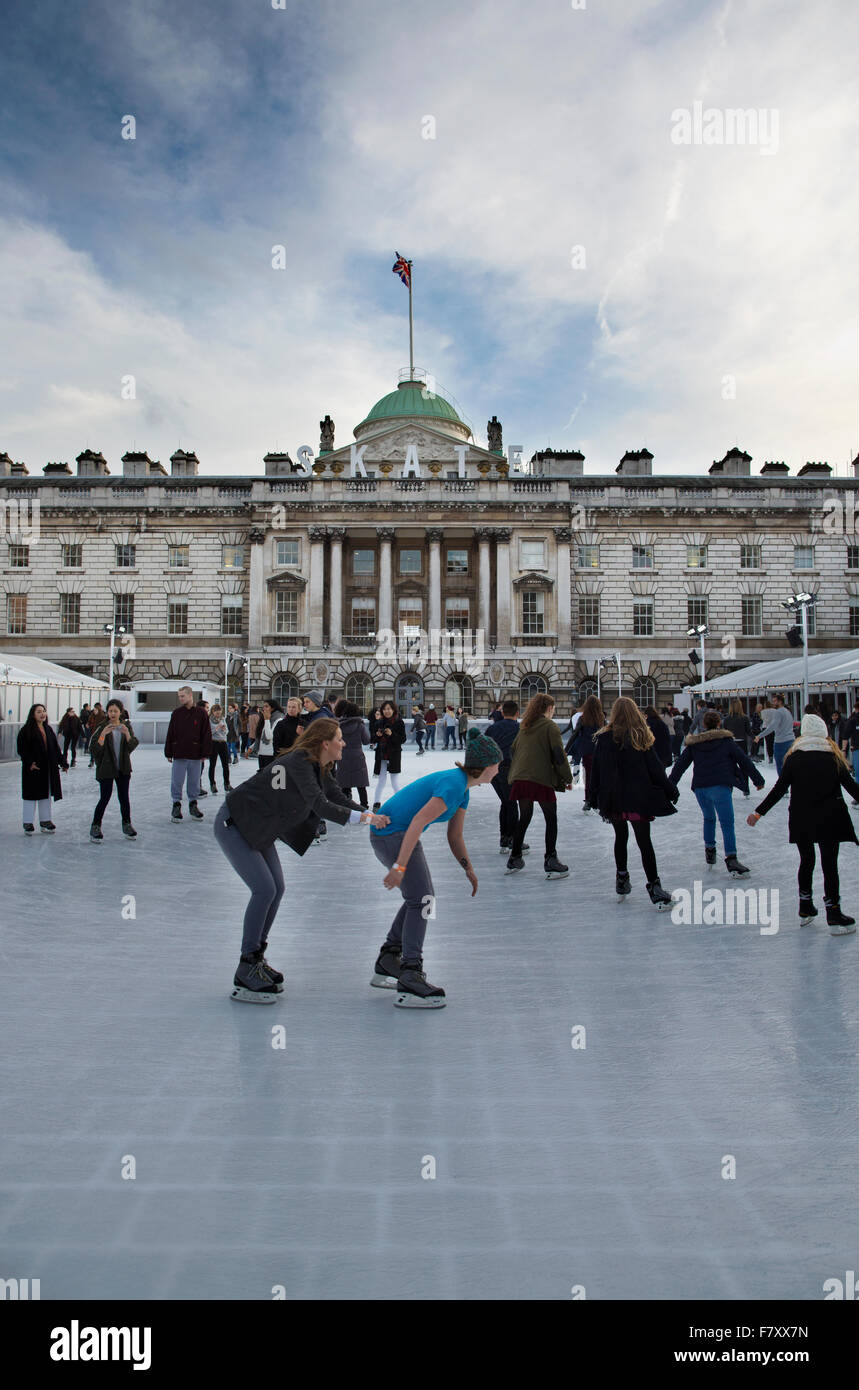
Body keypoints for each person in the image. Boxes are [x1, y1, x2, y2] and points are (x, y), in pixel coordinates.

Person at [214, 719, 390, 1002]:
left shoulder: (316, 766)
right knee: (264, 889)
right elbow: (321, 805)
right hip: (236, 823)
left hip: (260, 827)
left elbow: (334, 796)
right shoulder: (299, 761)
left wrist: (371, 817)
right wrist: (367, 819)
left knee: (276, 889)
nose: (344, 743)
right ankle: (246, 964)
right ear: (325, 743)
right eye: (340, 739)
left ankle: (256, 957)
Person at [370, 728, 502, 1008]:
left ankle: (389, 958)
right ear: (487, 766)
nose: (499, 770)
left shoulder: (464, 789)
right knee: (424, 899)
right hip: (391, 835)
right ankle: (410, 972)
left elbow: (454, 836)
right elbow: (418, 821)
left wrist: (468, 868)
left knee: (420, 897)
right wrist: (400, 867)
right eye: (497, 765)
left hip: (400, 835)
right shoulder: (454, 784)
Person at [748, 713, 859, 933]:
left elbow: (779, 789)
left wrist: (759, 813)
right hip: (830, 817)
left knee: (806, 860)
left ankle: (805, 907)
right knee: (830, 865)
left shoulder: (795, 758)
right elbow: (852, 788)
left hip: (802, 817)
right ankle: (834, 912)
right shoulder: (833, 757)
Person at [586, 696, 679, 909]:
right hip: (637, 797)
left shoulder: (604, 738)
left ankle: (621, 878)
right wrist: (670, 789)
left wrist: (593, 797)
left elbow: (596, 771)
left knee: (621, 836)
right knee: (644, 841)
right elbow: (656, 769)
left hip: (614, 799)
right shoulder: (640, 736)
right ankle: (654, 886)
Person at [669, 710, 764, 875]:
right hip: (720, 786)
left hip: (701, 787)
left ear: (704, 724)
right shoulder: (726, 742)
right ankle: (731, 858)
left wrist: (670, 786)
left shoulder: (695, 744)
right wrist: (758, 780)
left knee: (709, 818)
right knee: (726, 822)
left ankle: (710, 850)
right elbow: (744, 760)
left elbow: (680, 766)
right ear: (719, 723)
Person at [506, 693, 573, 878]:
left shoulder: (525, 725)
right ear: (549, 708)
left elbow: (513, 749)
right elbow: (559, 754)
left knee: (525, 816)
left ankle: (515, 857)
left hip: (521, 778)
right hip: (539, 779)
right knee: (551, 818)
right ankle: (551, 859)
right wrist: (567, 778)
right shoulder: (550, 726)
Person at [89, 698, 139, 840]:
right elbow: (94, 749)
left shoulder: (125, 726)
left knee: (124, 797)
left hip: (122, 768)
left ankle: (127, 824)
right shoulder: (102, 727)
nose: (112, 713)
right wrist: (103, 735)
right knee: (105, 797)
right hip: (106, 768)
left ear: (120, 712)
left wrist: (127, 734)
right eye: (110, 711)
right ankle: (95, 826)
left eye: (115, 711)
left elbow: (131, 746)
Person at [165, 685, 212, 821]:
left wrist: (205, 752)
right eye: (179, 696)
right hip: (179, 752)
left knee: (194, 781)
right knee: (177, 780)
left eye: (182, 696)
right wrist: (169, 752)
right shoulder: (176, 713)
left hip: (195, 753)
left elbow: (206, 734)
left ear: (190, 695)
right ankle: (176, 804)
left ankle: (193, 804)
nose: (180, 698)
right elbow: (171, 733)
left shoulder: (201, 713)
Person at [18, 703, 64, 834]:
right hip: (33, 769)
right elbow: (22, 749)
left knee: (45, 795)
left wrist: (62, 762)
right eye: (39, 711)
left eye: (44, 711)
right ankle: (27, 822)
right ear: (33, 714)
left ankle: (45, 820)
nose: (42, 714)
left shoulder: (48, 729)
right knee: (31, 795)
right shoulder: (26, 730)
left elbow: (55, 748)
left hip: (47, 768)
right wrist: (29, 763)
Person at [489, 698, 523, 853]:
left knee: (505, 802)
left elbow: (483, 747)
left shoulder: (493, 728)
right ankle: (513, 839)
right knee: (511, 803)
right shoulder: (520, 728)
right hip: (509, 769)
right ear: (517, 713)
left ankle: (504, 837)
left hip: (493, 771)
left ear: (502, 713)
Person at [567, 694, 605, 811]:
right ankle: (597, 799)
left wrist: (566, 749)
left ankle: (588, 800)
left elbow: (575, 735)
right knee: (599, 776)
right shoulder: (602, 718)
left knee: (588, 776)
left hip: (587, 752)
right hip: (599, 751)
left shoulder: (583, 718)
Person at [334, 698, 371, 808]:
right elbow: (366, 740)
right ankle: (364, 806)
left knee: (344, 783)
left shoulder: (338, 725)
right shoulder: (359, 725)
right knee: (361, 784)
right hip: (357, 756)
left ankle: (346, 806)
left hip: (343, 755)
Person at [372, 699, 406, 809]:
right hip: (381, 755)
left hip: (394, 754)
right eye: (385, 709)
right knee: (381, 780)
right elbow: (372, 739)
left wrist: (392, 734)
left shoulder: (399, 722)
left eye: (389, 709)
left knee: (394, 780)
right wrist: (377, 735)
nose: (387, 711)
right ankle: (376, 803)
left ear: (393, 710)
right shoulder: (379, 722)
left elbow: (402, 739)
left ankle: (400, 803)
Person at [755, 692, 794, 776]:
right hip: (791, 740)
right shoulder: (788, 712)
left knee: (780, 765)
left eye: (775, 701)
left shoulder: (778, 712)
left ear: (780, 702)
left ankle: (783, 785)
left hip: (781, 741)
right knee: (789, 765)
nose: (773, 703)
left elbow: (772, 726)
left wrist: (760, 735)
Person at [252, 699, 284, 769]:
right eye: (263, 706)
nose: (264, 709)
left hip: (270, 754)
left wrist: (267, 720)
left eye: (266, 706)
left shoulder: (278, 719)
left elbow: (269, 736)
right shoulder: (265, 718)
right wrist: (251, 747)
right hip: (261, 753)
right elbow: (261, 735)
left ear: (272, 708)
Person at [208, 704, 232, 793]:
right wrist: (217, 728)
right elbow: (208, 732)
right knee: (212, 764)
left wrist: (224, 729)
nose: (218, 715)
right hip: (214, 742)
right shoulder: (209, 720)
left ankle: (227, 783)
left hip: (223, 742)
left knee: (225, 764)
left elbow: (227, 731)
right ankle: (212, 784)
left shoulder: (222, 719)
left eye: (219, 713)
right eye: (216, 713)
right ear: (213, 712)